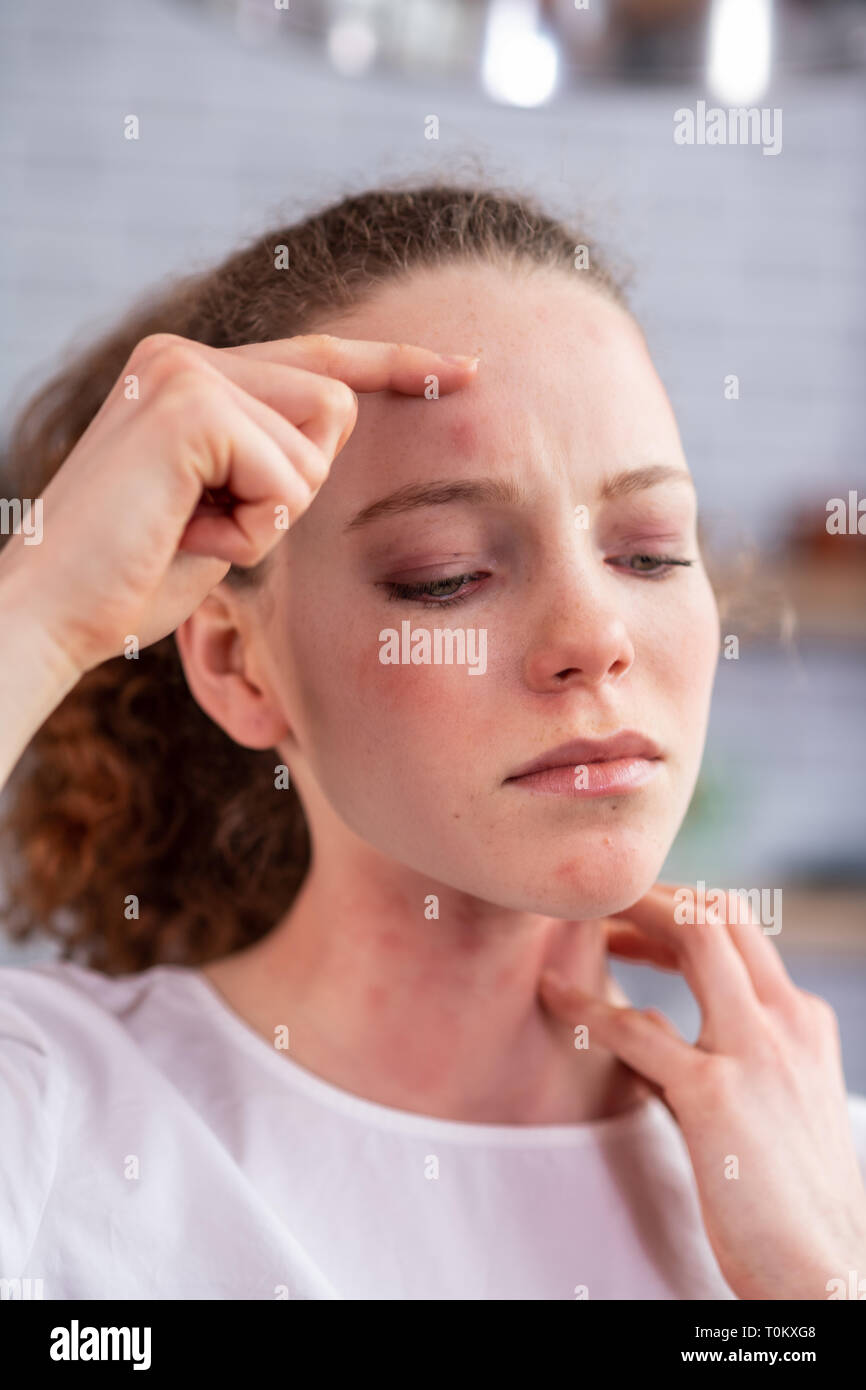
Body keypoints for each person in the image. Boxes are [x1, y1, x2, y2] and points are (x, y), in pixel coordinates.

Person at [0, 183, 864, 1301]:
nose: (594, 638)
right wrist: (44, 609)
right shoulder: (52, 1117)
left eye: (649, 551)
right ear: (236, 664)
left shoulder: (826, 1172)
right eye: (447, 574)